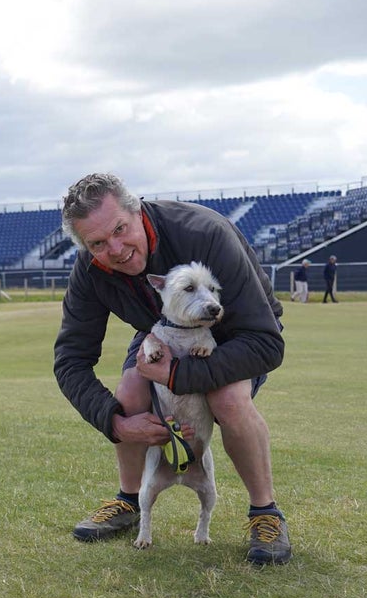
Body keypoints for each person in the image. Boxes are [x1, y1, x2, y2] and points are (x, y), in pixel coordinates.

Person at [54, 173, 292, 565]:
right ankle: (129, 500)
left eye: (120, 230)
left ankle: (265, 513)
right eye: (98, 243)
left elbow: (265, 343)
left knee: (228, 399)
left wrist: (176, 376)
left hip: (239, 332)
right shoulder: (91, 271)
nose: (115, 250)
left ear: (137, 211)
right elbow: (70, 360)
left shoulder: (205, 233)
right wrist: (116, 424)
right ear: (85, 246)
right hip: (162, 330)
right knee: (129, 393)